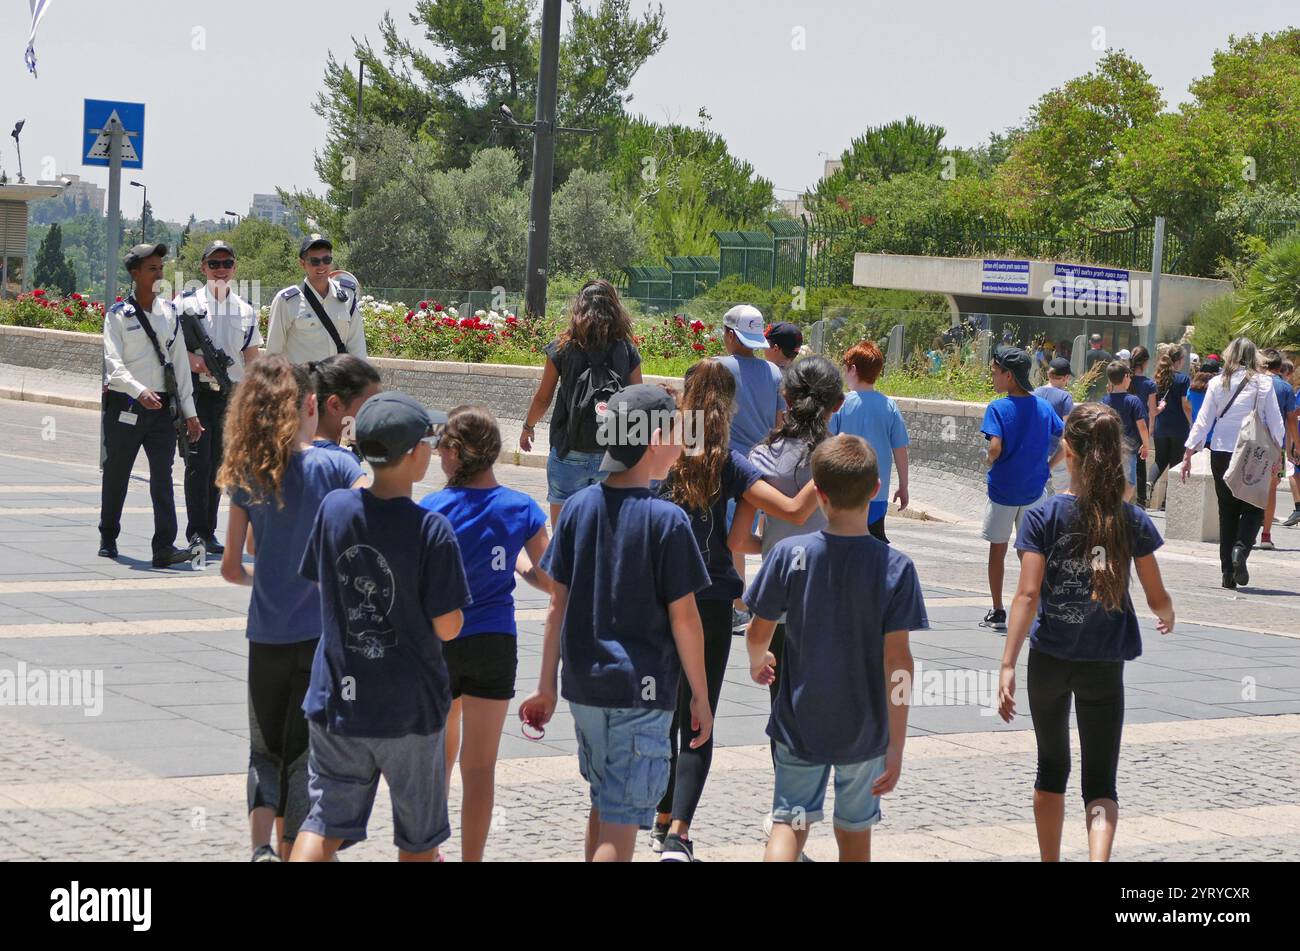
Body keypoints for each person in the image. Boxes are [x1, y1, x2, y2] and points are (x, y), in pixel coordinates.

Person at [518, 384, 714, 863]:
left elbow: (555, 607)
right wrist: (701, 696)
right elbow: (686, 619)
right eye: (675, 430)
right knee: (621, 826)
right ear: (652, 441)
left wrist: (545, 685)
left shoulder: (580, 507)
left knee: (604, 807)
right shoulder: (668, 521)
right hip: (640, 693)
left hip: (585, 689)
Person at [650, 360, 821, 861]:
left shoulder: (661, 452)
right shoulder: (729, 462)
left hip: (658, 598)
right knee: (700, 715)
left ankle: (661, 816)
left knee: (665, 710)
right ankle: (679, 833)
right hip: (707, 601)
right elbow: (791, 511)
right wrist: (827, 470)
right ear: (728, 406)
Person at [292, 392, 471, 862]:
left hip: (338, 699)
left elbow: (318, 584)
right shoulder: (432, 530)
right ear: (415, 456)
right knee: (417, 838)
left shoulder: (333, 509)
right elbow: (449, 628)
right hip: (409, 708)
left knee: (324, 820)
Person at [998, 403, 1175, 861]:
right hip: (1103, 664)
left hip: (1049, 661)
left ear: (1068, 450)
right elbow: (1156, 593)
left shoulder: (1042, 518)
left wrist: (1006, 664)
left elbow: (1027, 595)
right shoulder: (1129, 518)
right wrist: (1166, 611)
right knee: (1101, 781)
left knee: (1050, 768)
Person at [745, 434, 926, 862]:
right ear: (876, 489)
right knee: (855, 834)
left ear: (819, 494)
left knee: (789, 824)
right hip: (865, 729)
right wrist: (896, 742)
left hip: (798, 721)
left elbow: (758, 631)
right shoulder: (896, 568)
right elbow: (899, 664)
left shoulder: (789, 554)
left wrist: (759, 660)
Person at [216, 356, 366, 862]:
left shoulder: (249, 474)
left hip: (267, 636)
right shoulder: (339, 466)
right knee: (306, 755)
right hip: (321, 638)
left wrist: (273, 577)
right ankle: (296, 847)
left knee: (265, 751)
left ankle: (261, 848)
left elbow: (232, 567)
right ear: (308, 405)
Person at [418, 406, 551, 862]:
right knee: (480, 768)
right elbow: (550, 578)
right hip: (495, 642)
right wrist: (519, 567)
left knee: (439, 751)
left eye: (441, 450)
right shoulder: (521, 508)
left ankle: (429, 850)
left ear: (455, 453)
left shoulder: (431, 509)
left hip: (440, 640)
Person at [99, 242, 203, 567]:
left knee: (163, 476)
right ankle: (108, 535)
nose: (159, 274)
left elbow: (181, 369)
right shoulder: (118, 316)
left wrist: (191, 414)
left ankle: (164, 547)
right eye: (152, 269)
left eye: (160, 268)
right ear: (135, 274)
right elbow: (113, 364)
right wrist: (138, 389)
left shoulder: (170, 313)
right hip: (126, 405)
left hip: (162, 410)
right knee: (117, 472)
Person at [519, 279, 643, 527]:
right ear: (615, 308)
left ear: (579, 307)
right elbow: (638, 400)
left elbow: (543, 398)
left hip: (568, 450)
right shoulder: (626, 350)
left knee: (563, 533)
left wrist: (528, 427)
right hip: (612, 453)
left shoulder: (562, 347)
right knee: (606, 532)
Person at [174, 239, 263, 555]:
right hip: (197, 395)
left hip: (231, 396)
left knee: (219, 465)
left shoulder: (244, 309)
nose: (221, 270)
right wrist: (194, 360)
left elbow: (251, 357)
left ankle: (209, 532)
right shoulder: (185, 306)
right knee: (198, 463)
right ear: (203, 268)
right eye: (214, 264)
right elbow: (169, 349)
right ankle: (196, 532)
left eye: (227, 264)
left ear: (235, 268)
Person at [1180, 337, 1285, 589]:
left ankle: (1227, 573)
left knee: (1226, 511)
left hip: (1222, 451)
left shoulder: (1217, 382)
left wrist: (1188, 453)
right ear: (1254, 357)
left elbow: (1203, 421)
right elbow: (1275, 422)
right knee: (1254, 506)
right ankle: (1241, 549)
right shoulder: (1263, 384)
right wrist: (1278, 452)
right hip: (1252, 453)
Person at [979, 346, 1063, 632]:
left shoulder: (998, 408)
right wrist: (1048, 466)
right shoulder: (1043, 406)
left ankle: (998, 609)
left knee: (997, 550)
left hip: (1003, 490)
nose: (993, 377)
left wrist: (989, 460)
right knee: (1030, 551)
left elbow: (995, 447)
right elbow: (1066, 441)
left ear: (1009, 376)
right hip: (1034, 490)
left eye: (995, 372)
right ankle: (1037, 607)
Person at [718, 304, 786, 630]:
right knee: (752, 535)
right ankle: (759, 599)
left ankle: (738, 603)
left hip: (729, 465)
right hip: (763, 465)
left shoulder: (719, 368)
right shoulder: (774, 373)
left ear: (731, 335)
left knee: (732, 539)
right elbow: (779, 423)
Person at [828, 340, 910, 542]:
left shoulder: (841, 403)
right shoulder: (889, 405)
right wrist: (903, 485)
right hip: (877, 491)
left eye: (846, 368)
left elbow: (827, 444)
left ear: (853, 369)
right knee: (874, 541)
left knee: (843, 541)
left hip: (843, 490)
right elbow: (900, 449)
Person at [265, 235, 365, 366]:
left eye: (326, 259)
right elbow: (273, 353)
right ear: (302, 264)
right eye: (315, 261)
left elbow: (357, 345)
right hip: (302, 383)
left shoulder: (348, 295)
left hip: (337, 383)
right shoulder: (286, 301)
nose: (321, 266)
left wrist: (361, 382)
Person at [1257, 348, 1300, 550]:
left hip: (1251, 445)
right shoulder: (1285, 388)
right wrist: (1294, 448)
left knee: (1248, 487)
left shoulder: (1252, 382)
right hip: (1275, 446)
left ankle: (1243, 532)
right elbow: (1291, 420)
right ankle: (1266, 535)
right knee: (1271, 489)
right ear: (1280, 367)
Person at [308, 354, 382, 459]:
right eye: (368, 407)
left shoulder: (290, 452)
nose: (375, 417)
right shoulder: (342, 461)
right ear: (335, 405)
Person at [1148, 345, 1193, 508]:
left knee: (1160, 460)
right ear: (1179, 361)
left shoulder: (1157, 378)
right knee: (1175, 463)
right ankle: (1168, 502)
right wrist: (1191, 422)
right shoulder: (1183, 379)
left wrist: (1152, 427)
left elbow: (1151, 405)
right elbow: (1185, 405)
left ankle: (1149, 483)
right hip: (1178, 427)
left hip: (1161, 426)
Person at [1101, 362, 1151, 504]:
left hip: (1109, 448)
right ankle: (1121, 507)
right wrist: (1146, 445)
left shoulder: (1105, 400)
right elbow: (1142, 426)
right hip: (1129, 449)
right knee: (1129, 482)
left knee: (1110, 481)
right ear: (1126, 377)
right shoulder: (1133, 400)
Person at [1032, 357, 1074, 496]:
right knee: (1062, 492)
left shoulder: (1035, 393)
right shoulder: (1065, 397)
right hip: (1057, 451)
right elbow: (1067, 430)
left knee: (1037, 490)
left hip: (1036, 450)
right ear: (1065, 377)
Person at [1128, 347, 1157, 507]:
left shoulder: (1126, 379)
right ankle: (1141, 500)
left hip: (1126, 422)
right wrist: (1151, 429)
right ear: (1145, 362)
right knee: (1140, 462)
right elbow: (1153, 410)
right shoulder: (1149, 384)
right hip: (1142, 424)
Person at [1083, 334, 1113, 399]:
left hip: (1087, 386)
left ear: (1090, 342)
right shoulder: (1107, 355)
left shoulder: (1085, 355)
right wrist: (1110, 384)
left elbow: (1080, 371)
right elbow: (1110, 371)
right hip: (1102, 387)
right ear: (1101, 342)